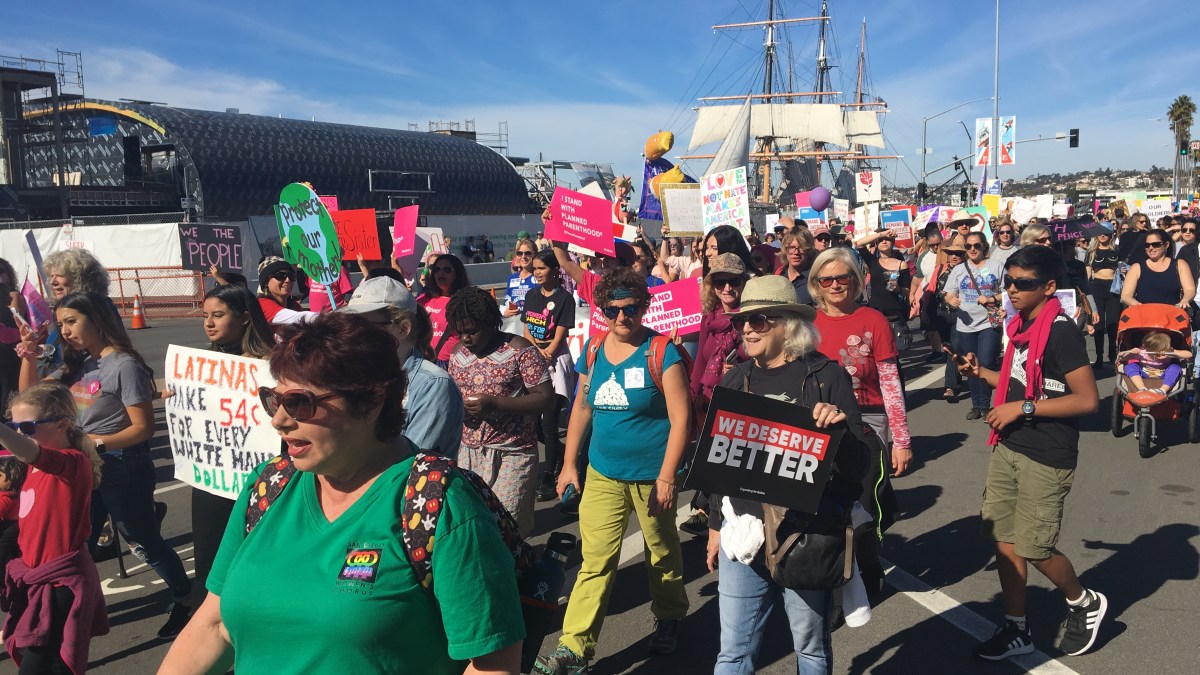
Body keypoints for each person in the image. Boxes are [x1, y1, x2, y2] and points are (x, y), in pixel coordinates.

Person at [159, 312, 525, 674]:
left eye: (300, 402)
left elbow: (494, 663)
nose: (279, 420)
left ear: (370, 402)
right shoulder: (268, 486)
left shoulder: (438, 503)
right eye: (273, 399)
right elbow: (214, 625)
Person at [704, 274, 867, 675]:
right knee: (732, 653)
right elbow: (718, 462)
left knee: (809, 647)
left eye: (759, 320)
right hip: (741, 528)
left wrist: (839, 432)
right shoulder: (734, 379)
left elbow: (861, 462)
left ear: (788, 324)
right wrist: (713, 527)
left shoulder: (826, 376)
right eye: (743, 320)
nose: (746, 328)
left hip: (804, 532)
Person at [535, 268, 691, 674]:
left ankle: (670, 615)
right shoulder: (594, 348)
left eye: (631, 308)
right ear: (601, 310)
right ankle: (574, 649)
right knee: (596, 559)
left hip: (651, 476)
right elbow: (583, 407)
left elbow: (681, 419)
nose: (623, 317)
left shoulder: (662, 352)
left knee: (660, 552)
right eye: (612, 309)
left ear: (644, 306)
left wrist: (667, 477)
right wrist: (569, 464)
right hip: (603, 473)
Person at [956, 245, 1106, 661]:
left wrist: (1021, 409)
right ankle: (1016, 628)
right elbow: (1018, 380)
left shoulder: (1059, 331)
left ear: (1049, 287)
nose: (1013, 291)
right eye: (1009, 283)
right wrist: (980, 374)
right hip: (1010, 446)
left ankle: (1083, 601)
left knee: (1036, 547)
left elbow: (1088, 400)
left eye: (1023, 284)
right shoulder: (1020, 326)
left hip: (1047, 452)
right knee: (1003, 541)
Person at [18, 291, 195, 639]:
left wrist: (94, 443)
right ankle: (74, 612)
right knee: (77, 544)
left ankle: (185, 599)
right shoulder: (82, 364)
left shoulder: (123, 365)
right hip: (85, 468)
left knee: (142, 542)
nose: (65, 331)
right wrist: (27, 355)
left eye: (72, 321)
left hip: (121, 466)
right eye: (61, 324)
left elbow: (144, 428)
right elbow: (28, 403)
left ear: (97, 319)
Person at [809, 247, 911, 595]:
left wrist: (902, 441)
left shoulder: (874, 321)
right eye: (827, 279)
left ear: (856, 280)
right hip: (821, 421)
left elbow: (890, 383)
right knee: (827, 504)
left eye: (843, 277)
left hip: (868, 420)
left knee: (862, 505)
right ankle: (840, 580)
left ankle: (867, 567)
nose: (836, 285)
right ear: (816, 284)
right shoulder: (806, 324)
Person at [0, 383, 108, 674]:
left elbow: (30, 451)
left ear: (62, 424)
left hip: (61, 584)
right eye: (14, 425)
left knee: (42, 663)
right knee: (53, 664)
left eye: (28, 426)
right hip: (37, 578)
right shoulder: (32, 466)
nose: (19, 433)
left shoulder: (72, 464)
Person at [184, 285, 275, 602]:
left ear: (245, 317)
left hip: (256, 483)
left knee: (253, 563)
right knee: (209, 568)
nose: (209, 323)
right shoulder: (202, 364)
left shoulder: (270, 365)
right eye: (206, 315)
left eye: (218, 315)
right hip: (211, 480)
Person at [446, 287, 552, 536]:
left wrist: (495, 404)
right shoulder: (456, 354)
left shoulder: (519, 350)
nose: (465, 338)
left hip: (513, 454)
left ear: (491, 322)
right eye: (459, 332)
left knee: (507, 526)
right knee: (476, 524)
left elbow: (546, 399)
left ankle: (517, 573)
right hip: (468, 455)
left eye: (472, 331)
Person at [339, 276, 464, 457]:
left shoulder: (432, 385)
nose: (355, 334)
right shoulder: (357, 377)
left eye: (367, 326)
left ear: (403, 328)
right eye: (352, 325)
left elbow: (410, 462)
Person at [681, 253, 749, 536]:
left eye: (733, 282)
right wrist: (693, 394)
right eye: (720, 282)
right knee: (711, 457)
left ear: (743, 282)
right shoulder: (709, 317)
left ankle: (715, 515)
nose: (726, 289)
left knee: (729, 460)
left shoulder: (751, 315)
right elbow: (699, 361)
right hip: (709, 399)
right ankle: (712, 515)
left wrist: (742, 362)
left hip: (739, 400)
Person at [520, 250, 577, 502]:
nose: (537, 273)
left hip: (556, 360)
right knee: (534, 423)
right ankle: (561, 455)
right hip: (534, 358)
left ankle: (551, 472)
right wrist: (535, 351)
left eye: (542, 268)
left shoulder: (565, 298)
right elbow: (526, 326)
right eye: (534, 269)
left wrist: (548, 352)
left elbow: (561, 331)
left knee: (550, 423)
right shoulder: (532, 295)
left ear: (554, 270)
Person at [943, 231, 1005, 420]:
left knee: (985, 363)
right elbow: (948, 293)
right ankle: (976, 405)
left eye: (976, 245)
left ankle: (985, 405)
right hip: (966, 324)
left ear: (984, 246)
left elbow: (1008, 292)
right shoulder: (959, 269)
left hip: (988, 322)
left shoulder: (996, 266)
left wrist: (992, 298)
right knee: (970, 365)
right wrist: (951, 300)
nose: (972, 249)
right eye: (968, 246)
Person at [417, 253, 471, 368]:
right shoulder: (425, 299)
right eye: (436, 269)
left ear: (457, 274)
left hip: (449, 362)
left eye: (447, 270)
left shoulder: (465, 301)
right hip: (424, 359)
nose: (440, 273)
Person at [1120, 228, 1196, 309]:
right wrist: (1135, 303)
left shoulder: (1180, 264)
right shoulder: (1136, 267)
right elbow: (1126, 295)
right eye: (1147, 245)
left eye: (1156, 244)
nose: (1151, 248)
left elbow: (1190, 289)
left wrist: (1185, 300)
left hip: (1172, 315)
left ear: (1166, 245)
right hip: (1144, 316)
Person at [1086, 227, 1121, 366]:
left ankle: (1112, 353)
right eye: (1099, 233)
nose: (1102, 235)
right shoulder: (1092, 252)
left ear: (1111, 235)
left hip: (1113, 288)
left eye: (1105, 233)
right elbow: (1087, 273)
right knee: (1098, 323)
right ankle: (1099, 355)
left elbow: (1124, 266)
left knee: (1113, 323)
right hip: (1097, 287)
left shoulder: (1116, 250)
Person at [911, 229, 946, 360]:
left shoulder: (949, 254)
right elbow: (917, 278)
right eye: (933, 245)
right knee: (928, 323)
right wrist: (912, 294)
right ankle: (936, 350)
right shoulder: (924, 257)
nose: (936, 247)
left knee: (944, 324)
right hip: (929, 295)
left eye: (938, 243)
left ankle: (948, 349)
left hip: (946, 295)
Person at [1119, 331, 1190, 394]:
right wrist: (1131, 352)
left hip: (1163, 373)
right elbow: (1121, 357)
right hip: (1144, 373)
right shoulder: (1142, 353)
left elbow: (1189, 354)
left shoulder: (1168, 352)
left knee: (1175, 367)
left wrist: (1172, 352)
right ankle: (1141, 388)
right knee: (1130, 366)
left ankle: (1163, 390)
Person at [255, 257, 318, 327]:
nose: (288, 280)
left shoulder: (295, 306)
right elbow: (299, 318)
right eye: (280, 276)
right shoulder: (262, 305)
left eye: (291, 276)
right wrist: (327, 317)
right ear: (266, 282)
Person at [503, 239, 539, 318]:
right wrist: (506, 312)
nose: (523, 257)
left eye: (528, 253)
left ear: (535, 254)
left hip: (534, 323)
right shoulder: (512, 278)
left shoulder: (539, 277)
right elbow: (506, 301)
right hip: (514, 324)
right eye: (519, 253)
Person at [779, 228, 816, 304]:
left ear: (809, 250)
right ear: (785, 250)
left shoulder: (816, 279)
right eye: (791, 247)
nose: (796, 252)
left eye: (801, 248)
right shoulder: (779, 276)